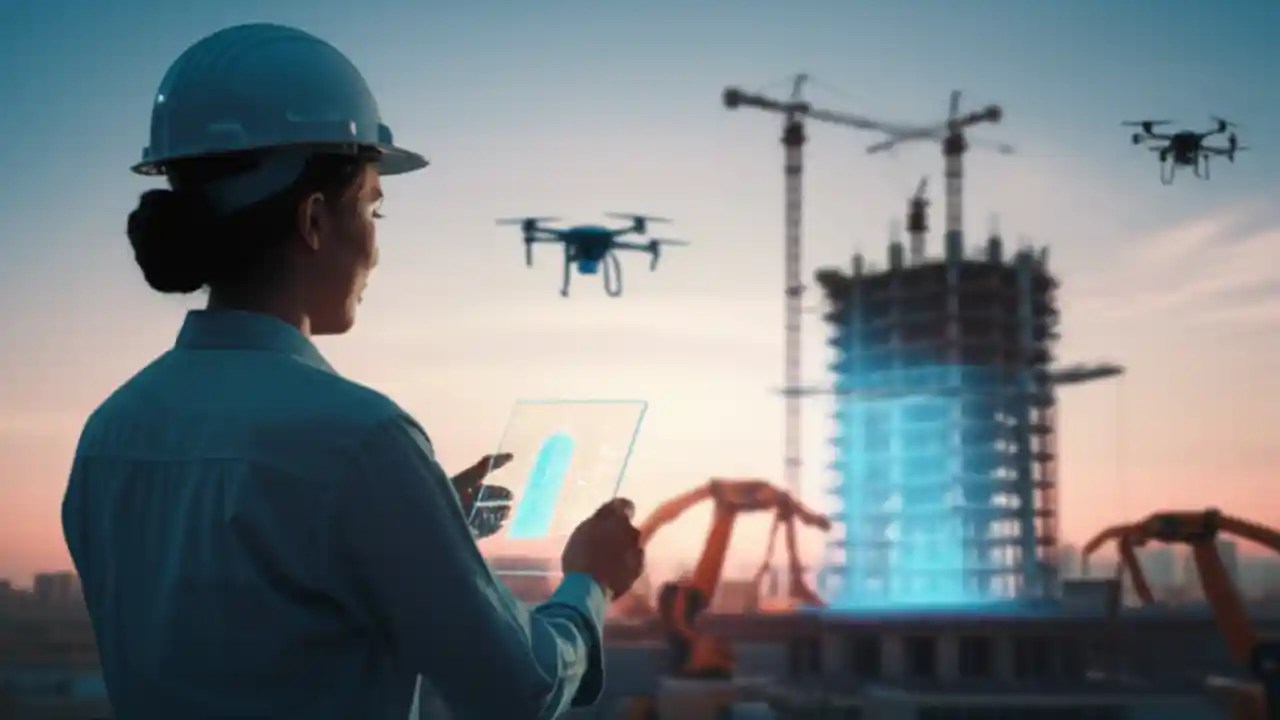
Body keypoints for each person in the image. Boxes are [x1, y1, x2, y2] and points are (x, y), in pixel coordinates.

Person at [61, 23, 644, 720]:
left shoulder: (109, 433)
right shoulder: (360, 440)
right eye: (373, 208)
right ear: (314, 220)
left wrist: (425, 525)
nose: (376, 247)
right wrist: (592, 581)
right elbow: (520, 688)